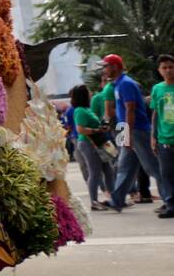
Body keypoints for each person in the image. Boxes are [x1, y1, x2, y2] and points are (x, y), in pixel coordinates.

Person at [107, 54, 162, 212]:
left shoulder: (125, 84)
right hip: (127, 129)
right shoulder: (117, 84)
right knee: (124, 166)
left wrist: (128, 134)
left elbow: (130, 109)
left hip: (136, 130)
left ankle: (169, 197)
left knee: (153, 167)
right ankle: (116, 201)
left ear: (115, 66)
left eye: (106, 66)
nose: (104, 70)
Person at [70, 85, 119, 212]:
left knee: (108, 170)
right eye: (88, 92)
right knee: (95, 172)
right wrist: (97, 130)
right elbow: (80, 129)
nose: (91, 93)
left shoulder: (87, 109)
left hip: (99, 142)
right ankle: (94, 202)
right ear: (83, 95)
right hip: (89, 144)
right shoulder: (80, 110)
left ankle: (115, 198)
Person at [151, 54, 174, 219]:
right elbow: (155, 113)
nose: (168, 70)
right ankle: (171, 204)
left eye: (171, 67)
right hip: (164, 139)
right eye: (164, 68)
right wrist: (153, 136)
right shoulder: (157, 89)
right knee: (166, 174)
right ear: (159, 70)